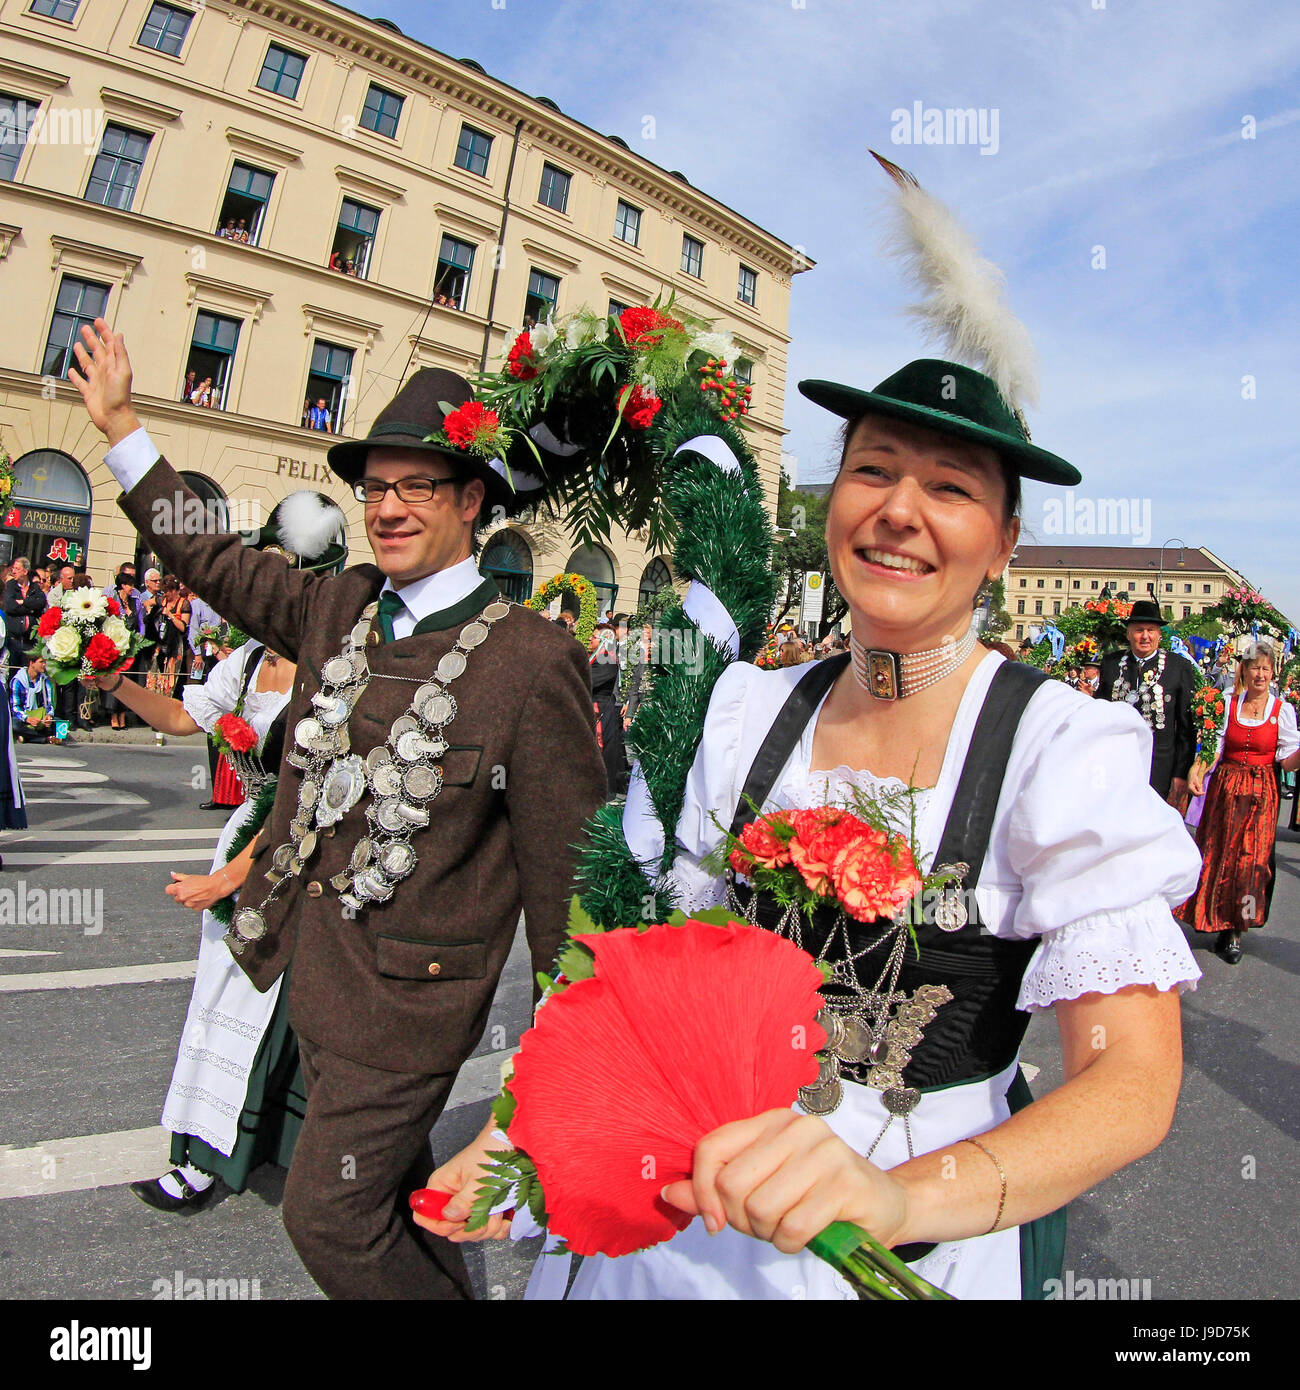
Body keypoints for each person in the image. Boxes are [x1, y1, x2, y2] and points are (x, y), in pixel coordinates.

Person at [428, 356, 1204, 1300]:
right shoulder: (749, 711)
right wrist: (520, 1131)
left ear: (1003, 544)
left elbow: (1128, 1084)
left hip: (910, 1242)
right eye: (872, 471)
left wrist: (899, 1200)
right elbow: (652, 982)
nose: (899, 512)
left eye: (951, 488)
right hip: (687, 1221)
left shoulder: (1058, 748)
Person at [70, 320, 606, 1300]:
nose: (387, 509)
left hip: (409, 1013)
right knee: (394, 1198)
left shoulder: (532, 659)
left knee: (326, 1212)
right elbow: (220, 563)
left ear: (471, 500)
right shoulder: (341, 605)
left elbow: (568, 886)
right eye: (375, 488)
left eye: (416, 486)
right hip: (309, 971)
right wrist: (124, 432)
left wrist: (545, 1079)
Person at [85, 496, 346, 1211]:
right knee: (227, 997)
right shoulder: (251, 656)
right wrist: (115, 683)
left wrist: (235, 878)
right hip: (246, 839)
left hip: (291, 853)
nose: (255, 579)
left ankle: (230, 1157)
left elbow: (315, 789)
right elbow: (178, 717)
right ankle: (221, 1148)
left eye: (271, 564)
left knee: (270, 1000)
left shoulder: (337, 668)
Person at [1177, 642, 1300, 964]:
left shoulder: (1281, 710)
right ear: (1244, 670)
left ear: (1273, 673)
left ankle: (1236, 929)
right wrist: (1197, 771)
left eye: (1265, 668)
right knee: (1219, 853)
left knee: (1251, 862)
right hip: (1227, 787)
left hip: (1262, 792)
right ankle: (1211, 915)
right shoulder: (1228, 703)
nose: (1260, 674)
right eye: (1254, 667)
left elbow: (1287, 762)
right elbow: (1213, 747)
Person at [1097, 599, 1199, 803]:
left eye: (1151, 630)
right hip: (1116, 761)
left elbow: (1187, 728)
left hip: (1159, 765)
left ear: (1159, 634)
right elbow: (1099, 714)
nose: (1145, 636)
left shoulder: (1178, 667)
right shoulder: (1111, 663)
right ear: (1128, 633)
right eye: (1139, 630)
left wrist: (1180, 772)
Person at [589, 620, 627, 795]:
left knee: (602, 753)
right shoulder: (596, 657)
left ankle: (600, 791)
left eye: (594, 637)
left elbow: (589, 681)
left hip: (601, 712)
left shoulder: (608, 661)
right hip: (593, 709)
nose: (590, 638)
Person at [3, 557, 48, 674]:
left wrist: (23, 602)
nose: (13, 571)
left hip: (30, 641)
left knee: (28, 673)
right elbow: (10, 606)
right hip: (14, 640)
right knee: (12, 672)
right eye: (13, 568)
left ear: (25, 571)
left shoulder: (35, 587)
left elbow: (41, 602)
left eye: (17, 569)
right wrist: (30, 609)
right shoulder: (10, 586)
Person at [10, 652, 58, 743]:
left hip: (40, 717)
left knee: (57, 723)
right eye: (41, 662)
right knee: (14, 725)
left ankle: (26, 737)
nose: (44, 665)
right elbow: (15, 707)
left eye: (45, 662)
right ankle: (45, 739)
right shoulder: (18, 681)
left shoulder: (45, 680)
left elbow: (49, 703)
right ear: (31, 663)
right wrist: (28, 718)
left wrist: (49, 716)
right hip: (23, 717)